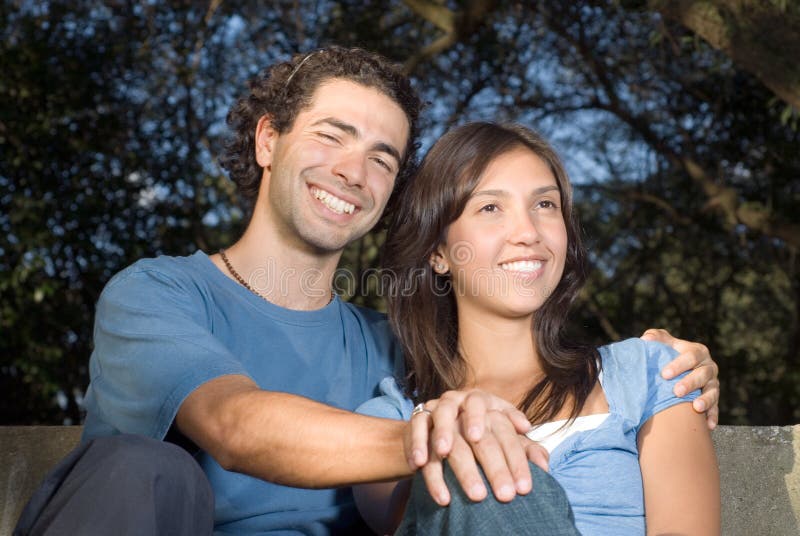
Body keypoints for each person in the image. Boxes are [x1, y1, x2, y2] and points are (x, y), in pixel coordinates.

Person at [15, 48, 720, 535]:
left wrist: (668, 368)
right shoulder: (157, 294)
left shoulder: (394, 354)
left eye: (382, 157)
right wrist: (432, 436)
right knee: (141, 467)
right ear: (268, 141)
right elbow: (235, 425)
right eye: (332, 136)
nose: (354, 170)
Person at [354, 122, 720, 535]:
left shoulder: (651, 372)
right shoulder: (394, 418)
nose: (528, 233)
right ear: (438, 253)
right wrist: (451, 436)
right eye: (490, 208)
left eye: (545, 205)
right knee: (471, 461)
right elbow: (396, 514)